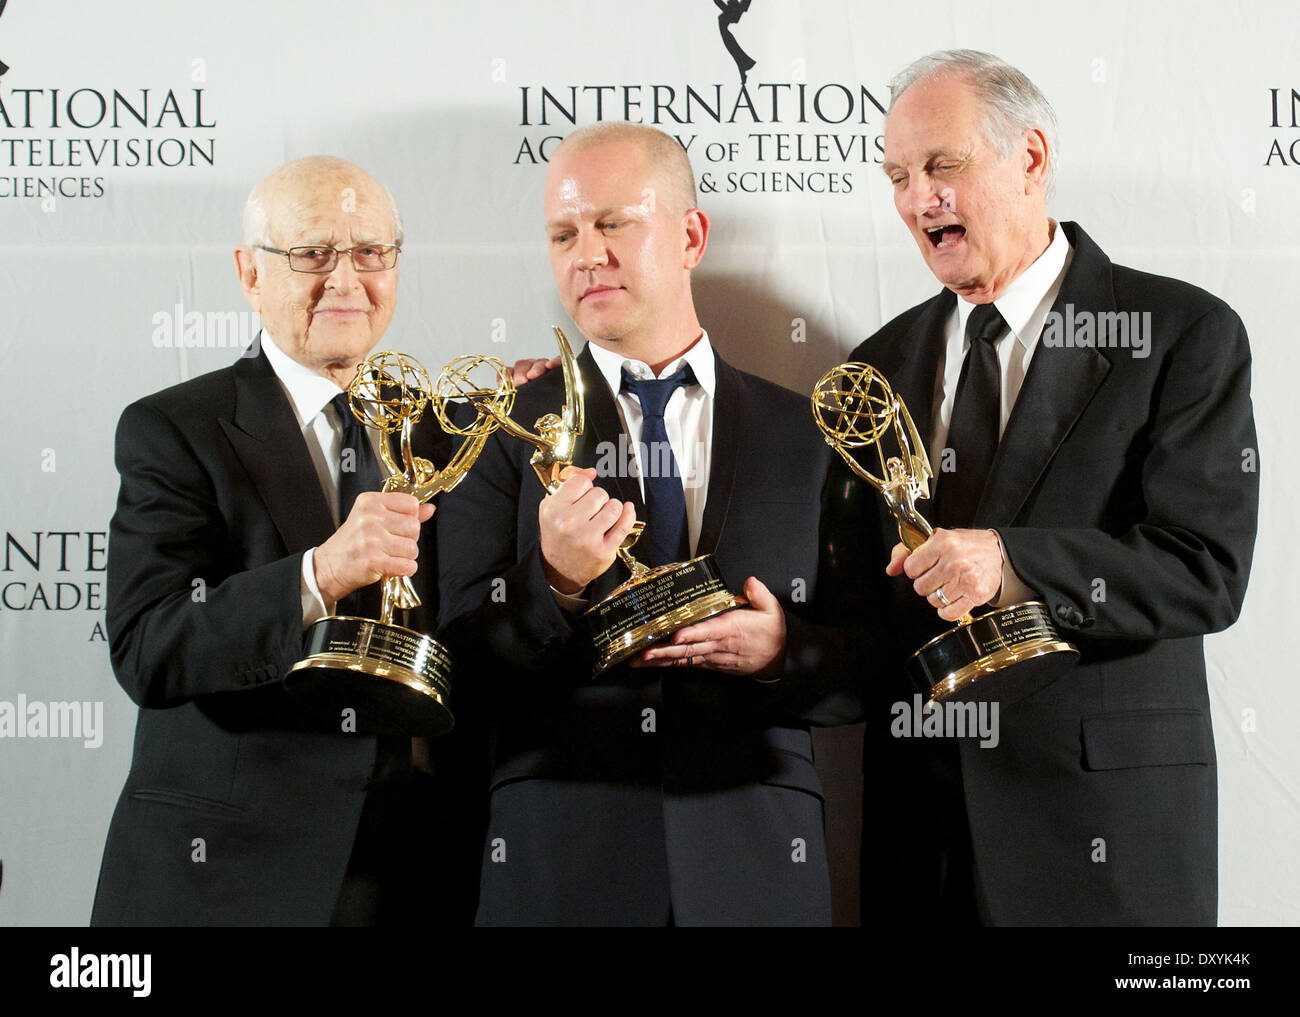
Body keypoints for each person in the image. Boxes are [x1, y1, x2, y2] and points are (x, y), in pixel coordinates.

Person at [852, 50, 1258, 925]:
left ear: (1031, 158)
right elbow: (862, 610)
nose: (918, 199)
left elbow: (1205, 568)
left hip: (1107, 843)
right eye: (898, 175)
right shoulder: (875, 366)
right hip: (923, 844)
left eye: (943, 166)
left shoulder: (1182, 333)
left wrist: (1010, 561)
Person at [90, 155, 546, 926]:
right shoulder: (174, 430)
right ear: (249, 272)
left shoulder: (450, 431)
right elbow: (147, 646)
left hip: (420, 875)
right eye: (311, 253)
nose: (346, 280)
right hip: (231, 880)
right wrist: (320, 572)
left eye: (371, 252)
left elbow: (480, 630)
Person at [437, 122, 864, 926]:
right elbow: (455, 659)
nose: (585, 253)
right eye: (563, 233)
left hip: (758, 859)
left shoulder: (805, 431)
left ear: (691, 234)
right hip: (559, 857)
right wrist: (552, 583)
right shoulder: (493, 427)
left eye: (613, 223)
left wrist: (783, 651)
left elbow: (872, 652)